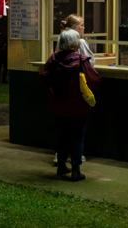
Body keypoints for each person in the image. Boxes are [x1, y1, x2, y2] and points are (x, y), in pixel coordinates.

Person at [41, 29, 99, 181]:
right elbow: (94, 78)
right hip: (78, 106)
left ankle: (61, 166)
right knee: (77, 137)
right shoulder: (81, 60)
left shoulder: (53, 59)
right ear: (75, 43)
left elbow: (44, 77)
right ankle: (76, 170)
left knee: (62, 135)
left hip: (59, 105)